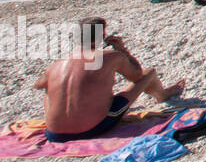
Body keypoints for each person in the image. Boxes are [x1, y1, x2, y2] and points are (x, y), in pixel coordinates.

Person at [33, 17, 184, 142]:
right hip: (91, 128)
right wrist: (122, 50)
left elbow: (38, 85)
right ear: (101, 36)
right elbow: (137, 76)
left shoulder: (56, 64)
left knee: (47, 86)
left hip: (54, 134)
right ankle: (162, 95)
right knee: (149, 73)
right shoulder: (110, 56)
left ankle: (65, 117)